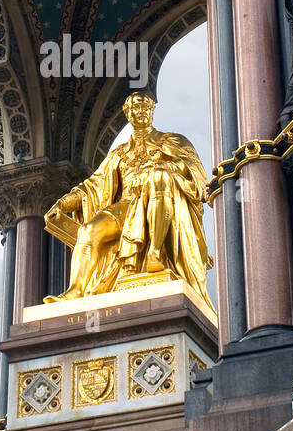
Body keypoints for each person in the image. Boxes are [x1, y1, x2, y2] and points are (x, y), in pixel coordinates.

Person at [44, 91, 211, 312]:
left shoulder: (172, 141)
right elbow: (93, 185)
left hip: (161, 199)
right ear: (127, 114)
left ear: (151, 111)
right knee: (89, 232)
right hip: (125, 207)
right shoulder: (119, 153)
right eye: (134, 108)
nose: (140, 112)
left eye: (144, 107)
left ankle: (155, 253)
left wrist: (160, 170)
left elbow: (194, 173)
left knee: (159, 178)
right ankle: (76, 290)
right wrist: (65, 203)